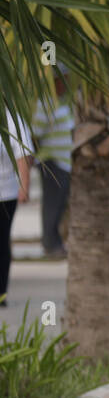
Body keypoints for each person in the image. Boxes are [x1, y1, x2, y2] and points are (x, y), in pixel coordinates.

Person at [31, 75, 74, 259]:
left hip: (65, 163)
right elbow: (35, 135)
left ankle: (57, 242)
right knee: (52, 205)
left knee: (60, 205)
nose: (65, 83)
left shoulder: (64, 103)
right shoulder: (45, 104)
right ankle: (50, 245)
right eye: (61, 80)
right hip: (52, 162)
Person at [0, 110, 34, 308]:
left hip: (4, 193)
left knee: (1, 241)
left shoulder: (11, 117)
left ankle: (1, 292)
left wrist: (24, 186)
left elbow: (23, 153)